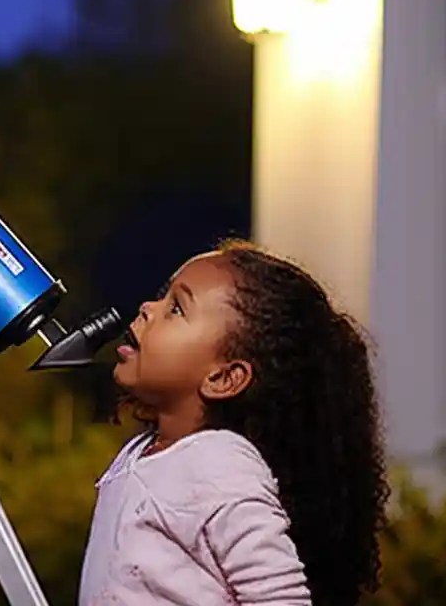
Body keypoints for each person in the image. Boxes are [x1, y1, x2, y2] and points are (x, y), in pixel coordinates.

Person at [79, 239, 389, 605]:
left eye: (176, 308)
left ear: (224, 378)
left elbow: (280, 599)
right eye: (163, 296)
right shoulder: (143, 452)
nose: (148, 307)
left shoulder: (219, 464)